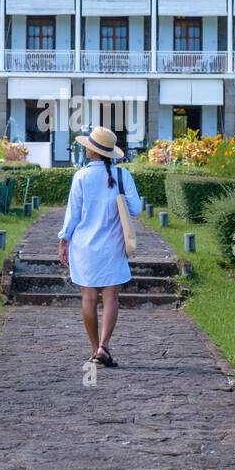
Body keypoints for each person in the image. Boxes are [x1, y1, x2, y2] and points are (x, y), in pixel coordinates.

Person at [58, 126, 143, 367]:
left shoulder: (81, 177)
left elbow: (72, 215)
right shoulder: (123, 176)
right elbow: (135, 210)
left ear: (93, 152)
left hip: (84, 246)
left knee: (88, 298)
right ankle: (104, 347)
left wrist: (64, 240)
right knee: (111, 298)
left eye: (88, 145)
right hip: (113, 246)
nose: (85, 148)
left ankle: (95, 349)